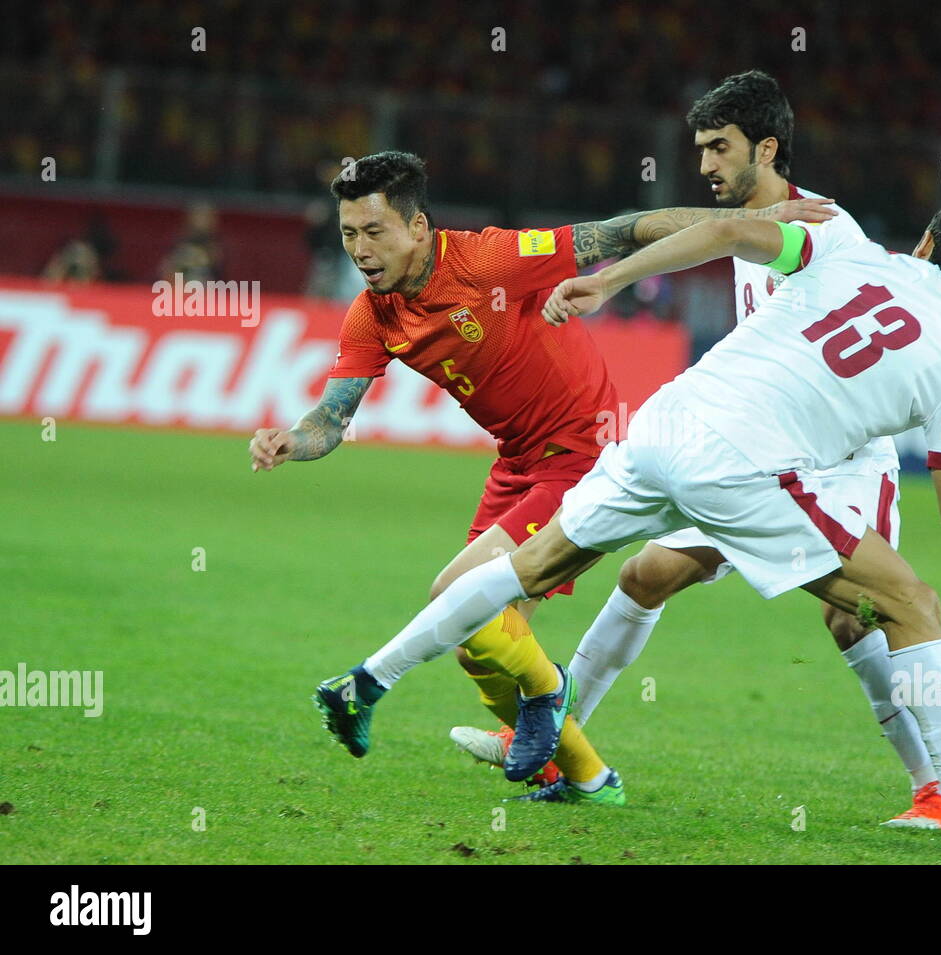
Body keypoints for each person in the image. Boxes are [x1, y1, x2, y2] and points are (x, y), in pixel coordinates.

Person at [317, 198, 941, 858]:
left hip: (665, 423)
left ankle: (368, 679)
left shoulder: (843, 240)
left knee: (533, 564)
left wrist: (609, 279)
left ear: (924, 244)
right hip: (747, 465)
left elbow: (728, 236)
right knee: (912, 603)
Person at [249, 150, 834, 799]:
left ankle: (550, 690)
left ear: (419, 227)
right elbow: (333, 418)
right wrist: (289, 441)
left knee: (458, 593)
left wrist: (754, 220)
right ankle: (587, 777)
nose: (360, 248)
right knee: (478, 643)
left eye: (375, 231)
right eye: (349, 233)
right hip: (519, 464)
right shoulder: (373, 314)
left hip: (585, 454)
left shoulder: (489, 260)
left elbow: (623, 230)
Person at [450, 71, 941, 827]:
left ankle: (937, 788)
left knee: (856, 618)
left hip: (843, 459)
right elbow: (690, 230)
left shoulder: (822, 228)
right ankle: (544, 735)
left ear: (768, 147)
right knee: (645, 573)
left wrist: (606, 279)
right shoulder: (750, 226)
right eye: (701, 149)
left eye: (721, 148)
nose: (707, 164)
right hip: (759, 454)